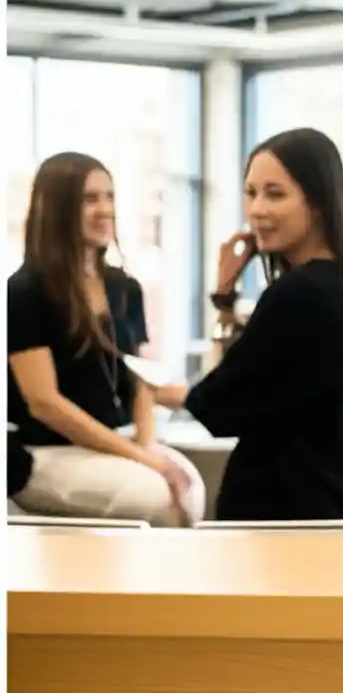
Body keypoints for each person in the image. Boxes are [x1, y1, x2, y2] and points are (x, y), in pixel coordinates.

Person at [148, 128, 343, 521]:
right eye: (250, 192)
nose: (256, 210)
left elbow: (221, 405)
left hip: (277, 519)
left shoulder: (298, 294)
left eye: (275, 193)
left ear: (318, 202)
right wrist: (225, 301)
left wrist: (172, 394)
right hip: (329, 514)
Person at [7, 152, 204, 526]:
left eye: (109, 197)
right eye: (89, 199)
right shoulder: (24, 291)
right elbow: (44, 404)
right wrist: (145, 460)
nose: (105, 209)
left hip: (114, 440)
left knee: (191, 491)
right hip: (45, 451)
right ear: (57, 208)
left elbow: (141, 379)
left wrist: (146, 447)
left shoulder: (124, 287)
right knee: (155, 493)